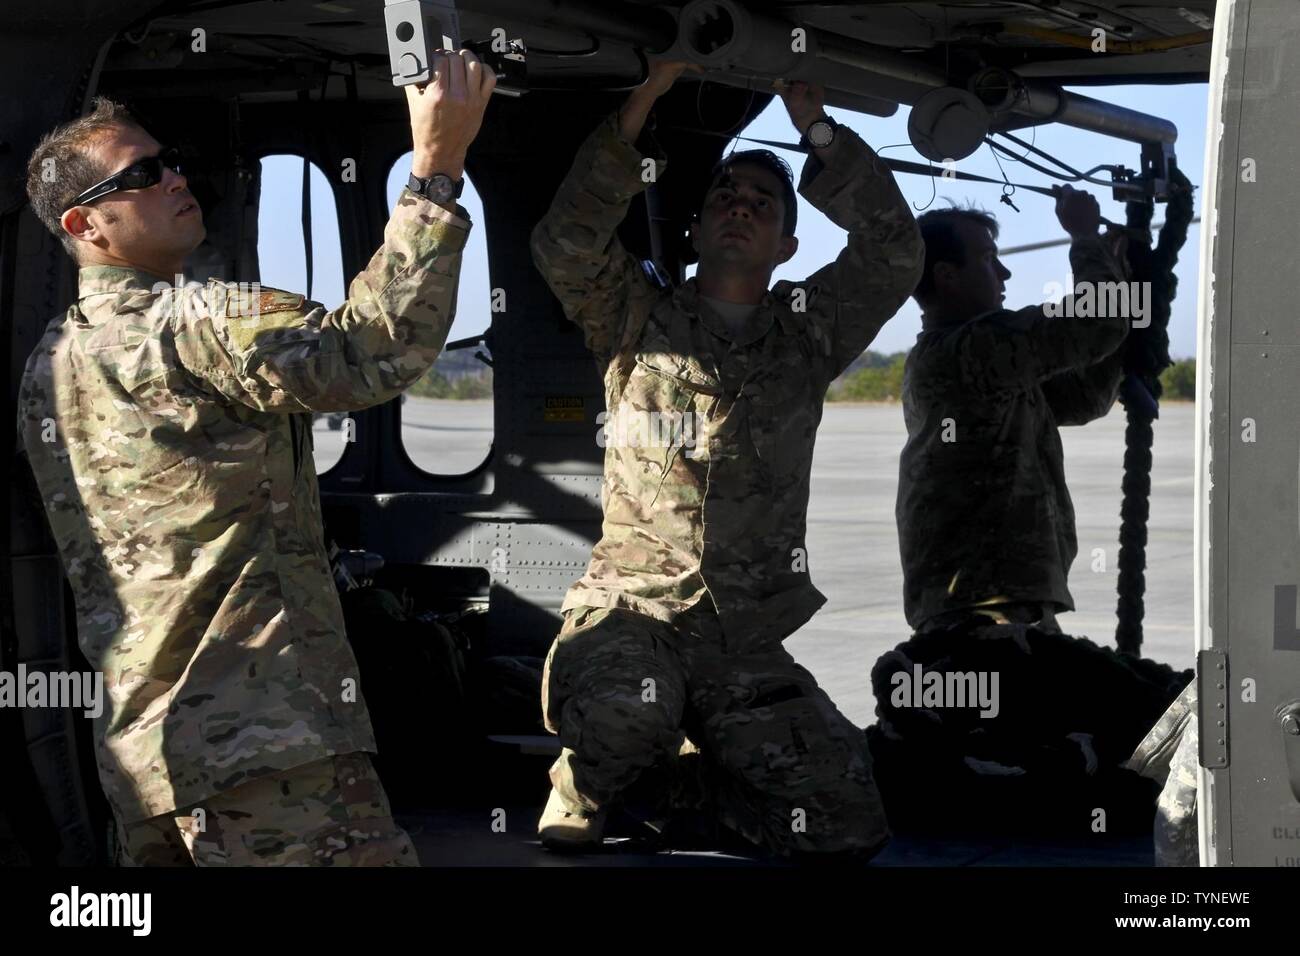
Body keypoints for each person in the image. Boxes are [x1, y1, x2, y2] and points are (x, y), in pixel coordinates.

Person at [18, 50, 495, 865]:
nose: (174, 180)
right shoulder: (199, 323)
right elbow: (373, 352)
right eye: (141, 175)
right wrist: (437, 169)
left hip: (147, 757)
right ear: (84, 226)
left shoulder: (49, 365)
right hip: (271, 746)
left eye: (171, 163)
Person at [530, 61, 924, 859]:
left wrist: (818, 130)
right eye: (723, 199)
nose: (738, 209)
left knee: (846, 819)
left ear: (787, 242)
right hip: (631, 613)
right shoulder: (635, 316)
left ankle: (679, 787)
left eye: (760, 205)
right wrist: (642, 101)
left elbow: (894, 251)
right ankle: (587, 778)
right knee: (625, 719)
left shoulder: (809, 333)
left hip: (738, 639)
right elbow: (565, 242)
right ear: (698, 228)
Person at [872, 194, 1190, 818]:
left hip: (1012, 623)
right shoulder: (963, 353)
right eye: (991, 259)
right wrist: (1085, 239)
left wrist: (1122, 283)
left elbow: (1081, 391)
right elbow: (1088, 328)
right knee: (1160, 715)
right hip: (982, 627)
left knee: (1154, 708)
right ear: (947, 276)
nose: (1006, 273)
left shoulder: (990, 364)